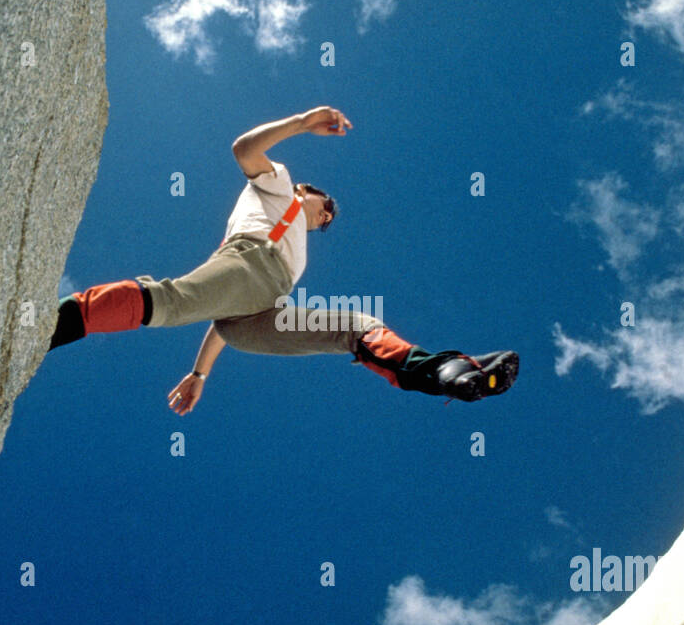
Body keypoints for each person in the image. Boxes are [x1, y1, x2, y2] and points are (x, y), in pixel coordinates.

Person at [48, 106, 519, 414]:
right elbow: (243, 149)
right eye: (326, 203)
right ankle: (59, 322)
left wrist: (199, 374)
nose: (328, 213)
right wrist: (301, 123)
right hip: (254, 262)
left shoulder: (300, 237)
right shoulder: (281, 185)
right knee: (170, 302)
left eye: (329, 218)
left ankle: (445, 373)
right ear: (307, 192)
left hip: (257, 308)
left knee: (355, 327)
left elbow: (223, 320)